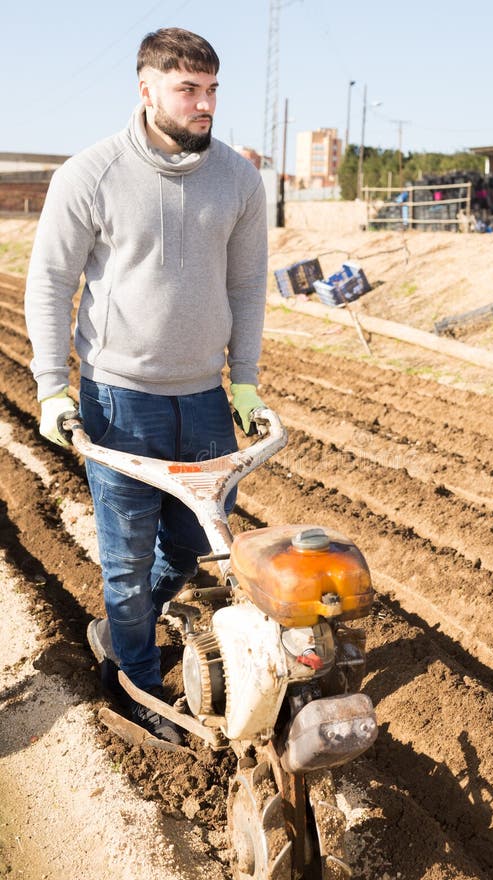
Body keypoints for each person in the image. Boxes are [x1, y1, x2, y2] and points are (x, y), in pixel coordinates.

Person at [24, 27, 268, 744]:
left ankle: (119, 632)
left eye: (212, 90)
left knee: (195, 549)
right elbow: (50, 284)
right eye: (188, 90)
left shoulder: (237, 177)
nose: (204, 105)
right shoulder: (90, 174)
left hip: (202, 397)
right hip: (119, 398)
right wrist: (50, 386)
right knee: (126, 559)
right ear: (147, 89)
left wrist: (245, 382)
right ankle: (131, 682)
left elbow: (248, 283)